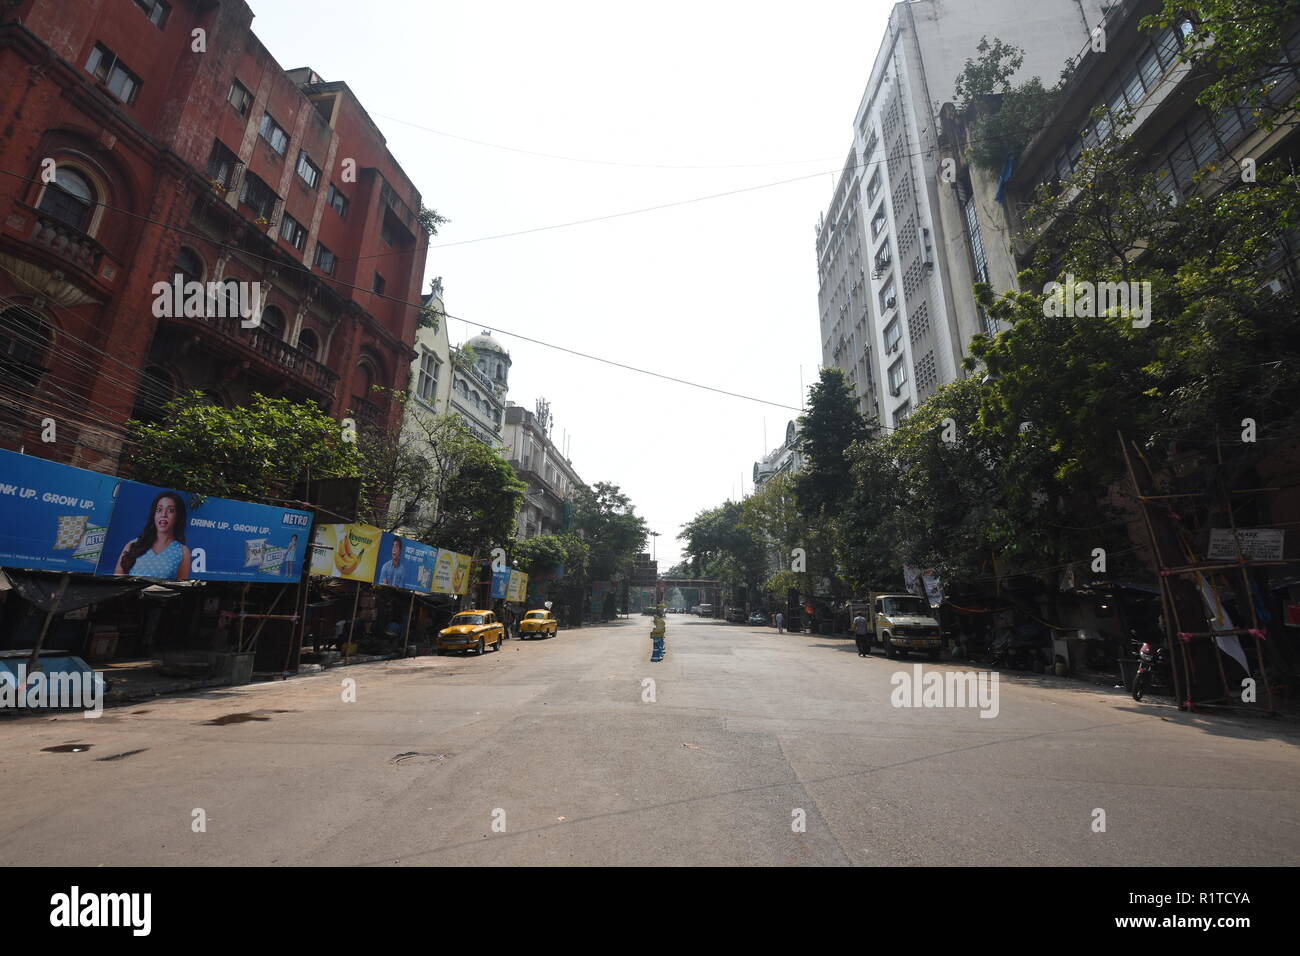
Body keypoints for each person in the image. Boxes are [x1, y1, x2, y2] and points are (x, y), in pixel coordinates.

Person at [113, 491, 191, 579]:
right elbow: (118, 575)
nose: (163, 515)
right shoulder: (133, 544)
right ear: (154, 514)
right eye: (159, 510)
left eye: (171, 510)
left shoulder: (182, 552)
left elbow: (181, 585)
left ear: (178, 516)